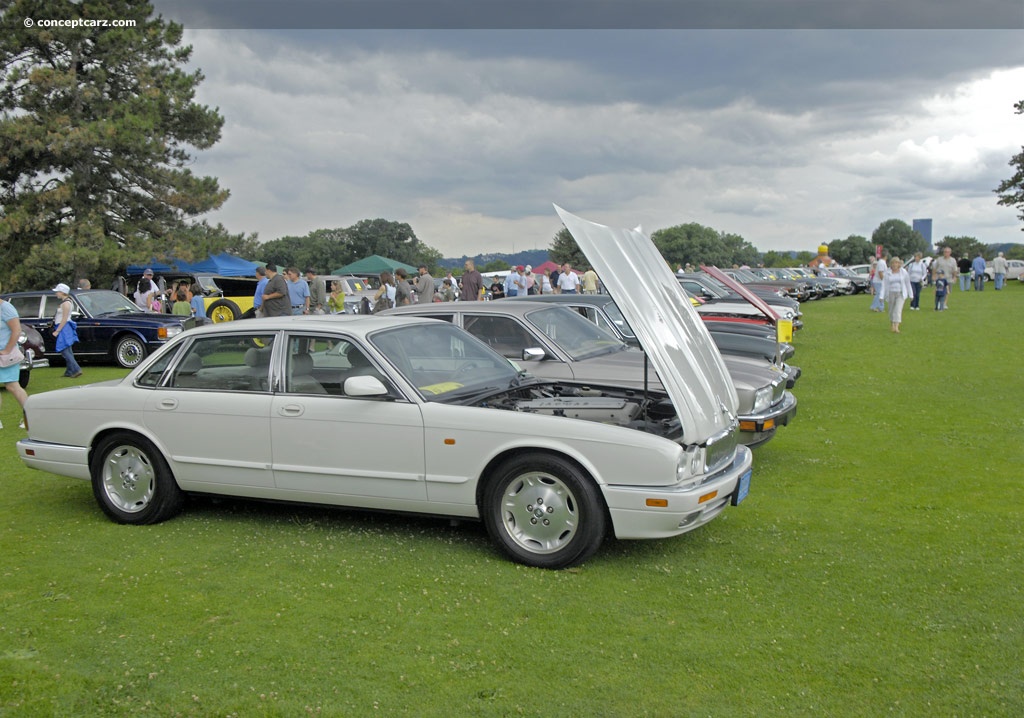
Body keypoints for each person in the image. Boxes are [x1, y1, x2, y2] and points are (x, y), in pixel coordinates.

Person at [0, 282, 30, 429]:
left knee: (12, 386)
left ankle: (30, 417)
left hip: (6, 355)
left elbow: (16, 331)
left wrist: (6, 350)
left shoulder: (6, 308)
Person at [51, 283, 83, 378]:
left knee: (65, 350)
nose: (56, 293)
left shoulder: (66, 303)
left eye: (58, 292)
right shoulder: (66, 302)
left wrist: (57, 331)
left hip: (64, 328)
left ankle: (76, 369)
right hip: (64, 327)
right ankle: (69, 371)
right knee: (68, 349)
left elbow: (64, 318)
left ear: (62, 292)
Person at [882, 257, 913, 333]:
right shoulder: (887, 273)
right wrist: (881, 296)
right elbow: (884, 284)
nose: (894, 264)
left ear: (899, 264)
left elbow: (907, 283)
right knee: (891, 310)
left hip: (900, 293)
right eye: (893, 263)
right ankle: (892, 324)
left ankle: (896, 327)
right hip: (891, 293)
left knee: (898, 309)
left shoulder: (903, 272)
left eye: (896, 263)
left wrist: (911, 294)